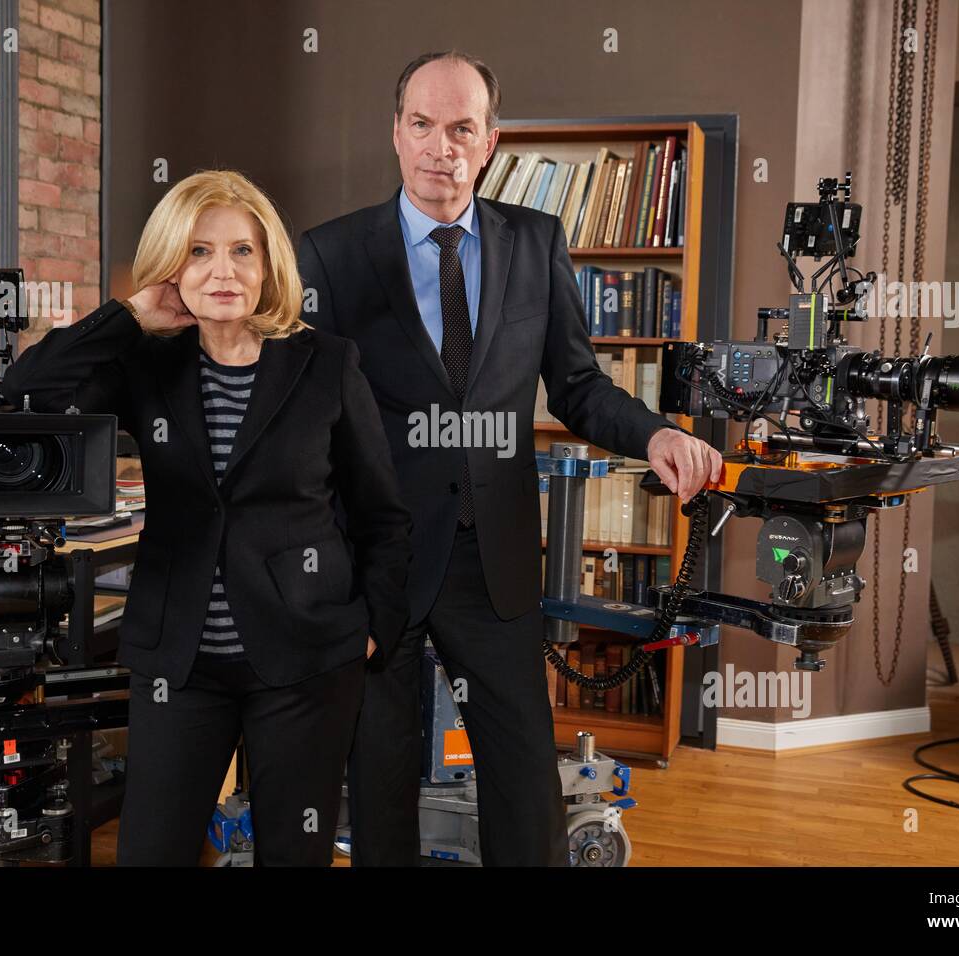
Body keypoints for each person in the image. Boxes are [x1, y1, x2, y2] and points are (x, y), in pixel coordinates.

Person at [296, 50, 723, 866]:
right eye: (422, 125)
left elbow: (578, 387)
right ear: (396, 132)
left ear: (490, 141)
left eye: (462, 128)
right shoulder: (332, 254)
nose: (440, 148)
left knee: (525, 780)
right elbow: (306, 421)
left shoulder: (536, 242)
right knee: (377, 778)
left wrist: (658, 434)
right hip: (374, 561)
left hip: (490, 559)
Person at [0, 169, 412, 866]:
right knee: (152, 851)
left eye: (241, 250)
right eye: (198, 251)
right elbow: (24, 394)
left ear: (267, 262)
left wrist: (375, 628)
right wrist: (128, 315)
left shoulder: (327, 364)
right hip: (180, 660)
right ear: (171, 263)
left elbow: (384, 516)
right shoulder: (144, 364)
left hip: (308, 658)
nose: (223, 269)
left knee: (294, 852)